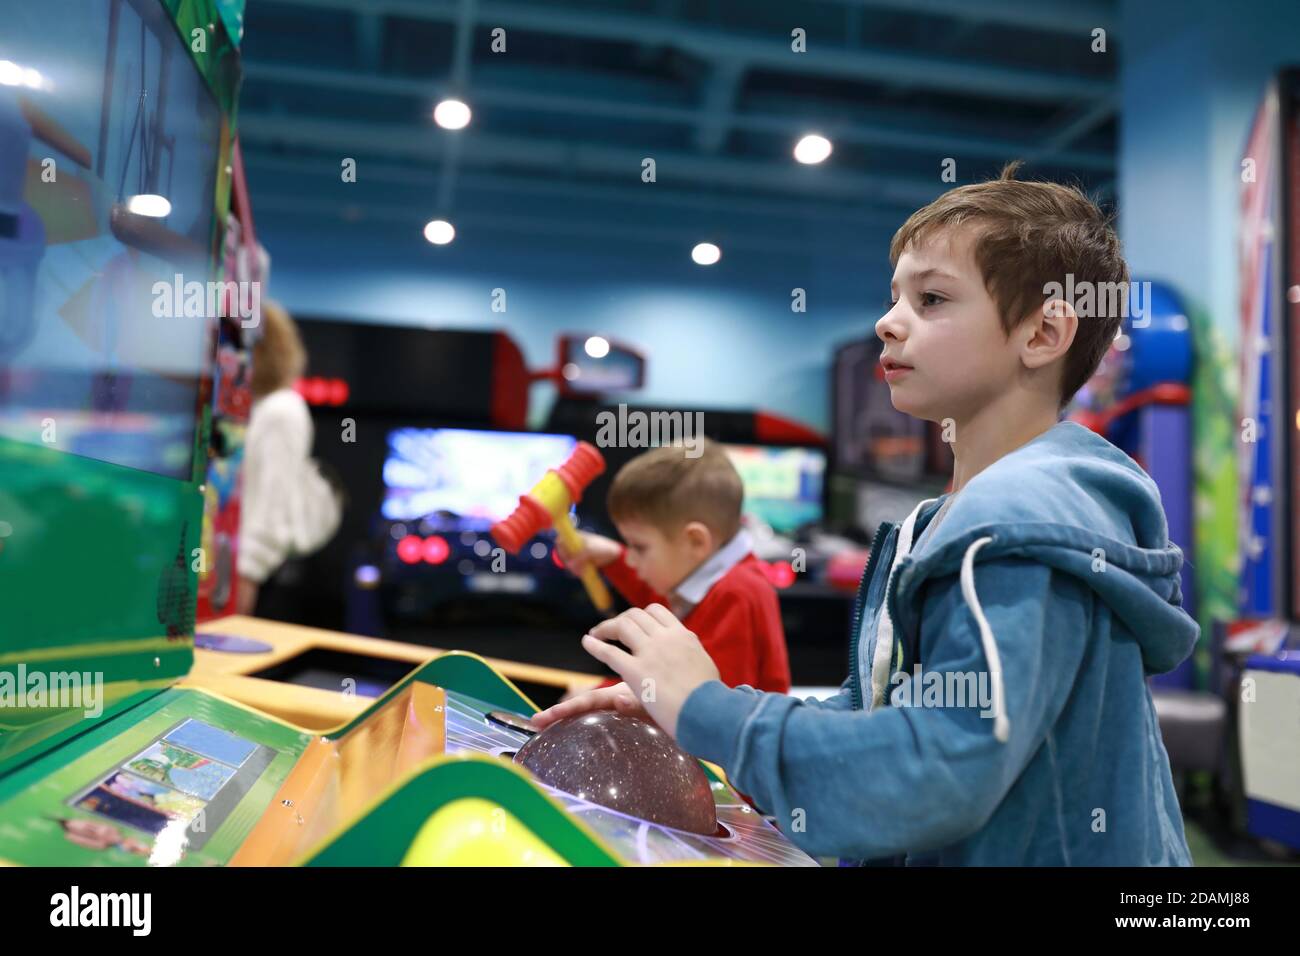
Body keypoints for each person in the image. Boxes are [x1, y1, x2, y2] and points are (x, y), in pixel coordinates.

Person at [533, 162, 1199, 866]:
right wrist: (692, 709)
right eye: (894, 297)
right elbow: (878, 716)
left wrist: (708, 708)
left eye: (933, 299)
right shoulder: (942, 522)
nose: (888, 321)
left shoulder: (1018, 523)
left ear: (1042, 335)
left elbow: (936, 771)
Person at [558, 439, 790, 693]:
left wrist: (601, 692)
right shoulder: (704, 577)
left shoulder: (736, 596)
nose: (632, 559)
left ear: (695, 542)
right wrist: (614, 557)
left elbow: (699, 699)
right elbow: (659, 598)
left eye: (640, 547)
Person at [236, 301, 341, 615]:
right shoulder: (253, 409)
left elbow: (273, 506)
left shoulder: (282, 409)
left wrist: (247, 575)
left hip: (255, 577)